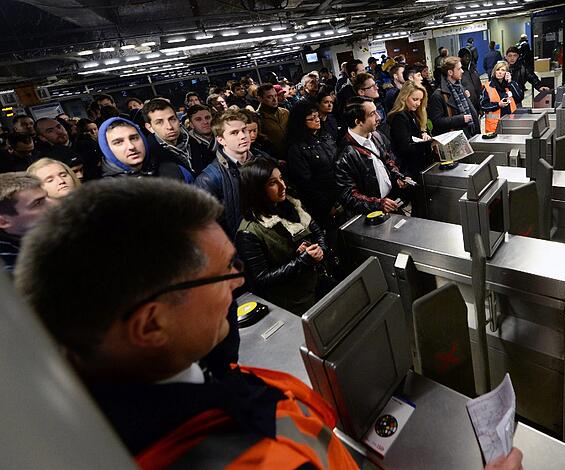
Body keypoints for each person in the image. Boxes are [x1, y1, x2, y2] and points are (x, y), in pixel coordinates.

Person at [14, 178, 360, 468]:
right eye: (224, 270)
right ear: (150, 325)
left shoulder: (195, 368)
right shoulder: (252, 458)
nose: (238, 282)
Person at [236, 158, 329, 315]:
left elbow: (318, 232)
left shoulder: (291, 205)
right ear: (256, 189)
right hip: (293, 304)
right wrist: (302, 260)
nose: (283, 186)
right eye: (273, 183)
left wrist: (320, 250)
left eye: (281, 178)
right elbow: (263, 278)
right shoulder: (249, 232)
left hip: (318, 284)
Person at [335, 96, 410, 216]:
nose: (379, 117)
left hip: (391, 203)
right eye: (372, 114)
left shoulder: (376, 135)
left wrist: (397, 175)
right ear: (358, 122)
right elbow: (349, 196)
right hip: (371, 215)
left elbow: (388, 159)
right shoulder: (344, 156)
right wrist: (378, 204)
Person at [195, 109, 256, 240]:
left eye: (244, 130)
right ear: (221, 140)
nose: (243, 136)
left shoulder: (263, 160)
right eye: (234, 133)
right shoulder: (208, 179)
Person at [286, 100, 341, 231]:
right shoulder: (296, 148)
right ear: (301, 123)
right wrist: (326, 206)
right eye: (312, 118)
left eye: (317, 116)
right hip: (322, 202)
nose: (317, 120)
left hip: (339, 193)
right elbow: (306, 183)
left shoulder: (326, 136)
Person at [98, 117, 190, 181]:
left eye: (134, 138)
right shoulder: (103, 193)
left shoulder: (173, 170)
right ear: (107, 149)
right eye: (118, 142)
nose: (131, 146)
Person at [142, 100, 213, 177]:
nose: (169, 127)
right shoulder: (149, 159)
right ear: (149, 127)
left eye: (172, 119)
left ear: (178, 119)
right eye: (159, 122)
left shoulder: (194, 142)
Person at [0, 172, 53, 273]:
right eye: (38, 203)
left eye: (47, 197)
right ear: (3, 222)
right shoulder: (11, 270)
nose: (54, 204)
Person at [388, 81, 434, 178]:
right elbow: (405, 147)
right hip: (409, 169)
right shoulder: (399, 117)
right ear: (404, 97)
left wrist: (423, 134)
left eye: (420, 100)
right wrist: (426, 143)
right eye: (415, 99)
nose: (418, 103)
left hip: (419, 164)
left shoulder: (413, 113)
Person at [428, 56, 481, 138]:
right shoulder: (438, 95)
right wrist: (461, 119)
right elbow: (437, 121)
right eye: (459, 69)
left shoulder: (459, 88)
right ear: (450, 72)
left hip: (469, 134)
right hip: (454, 139)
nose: (462, 71)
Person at [481, 60, 521, 134]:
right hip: (494, 126)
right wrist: (498, 105)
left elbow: (519, 98)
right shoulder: (488, 87)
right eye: (498, 69)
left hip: (510, 123)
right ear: (494, 71)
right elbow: (483, 106)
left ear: (507, 73)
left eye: (503, 70)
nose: (499, 72)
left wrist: (510, 83)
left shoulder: (511, 85)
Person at [256, 84, 290, 159]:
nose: (274, 100)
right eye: (269, 97)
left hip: (293, 154)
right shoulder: (257, 118)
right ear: (259, 99)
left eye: (275, 95)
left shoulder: (285, 112)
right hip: (276, 159)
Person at [353, 72, 388, 137]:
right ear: (361, 92)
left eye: (376, 85)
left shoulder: (380, 103)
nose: (377, 88)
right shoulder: (358, 112)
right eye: (372, 86)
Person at [458, 48, 482, 115]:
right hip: (466, 108)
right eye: (465, 56)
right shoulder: (459, 72)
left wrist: (480, 107)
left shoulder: (473, 70)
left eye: (469, 56)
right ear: (460, 58)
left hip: (477, 106)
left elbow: (479, 88)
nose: (467, 58)